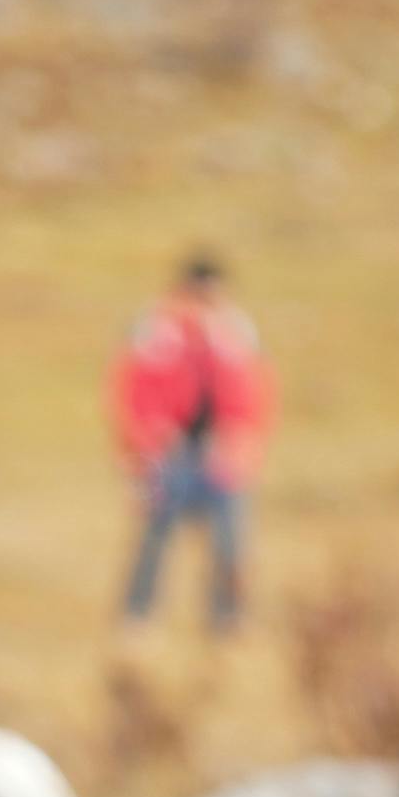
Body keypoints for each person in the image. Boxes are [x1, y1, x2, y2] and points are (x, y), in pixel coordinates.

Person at [108, 251, 272, 635]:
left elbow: (256, 395)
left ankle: (227, 618)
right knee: (154, 537)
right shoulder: (154, 333)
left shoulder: (236, 335)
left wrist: (242, 441)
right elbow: (131, 393)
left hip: (221, 452)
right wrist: (144, 445)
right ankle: (138, 615)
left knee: (230, 539)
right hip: (168, 452)